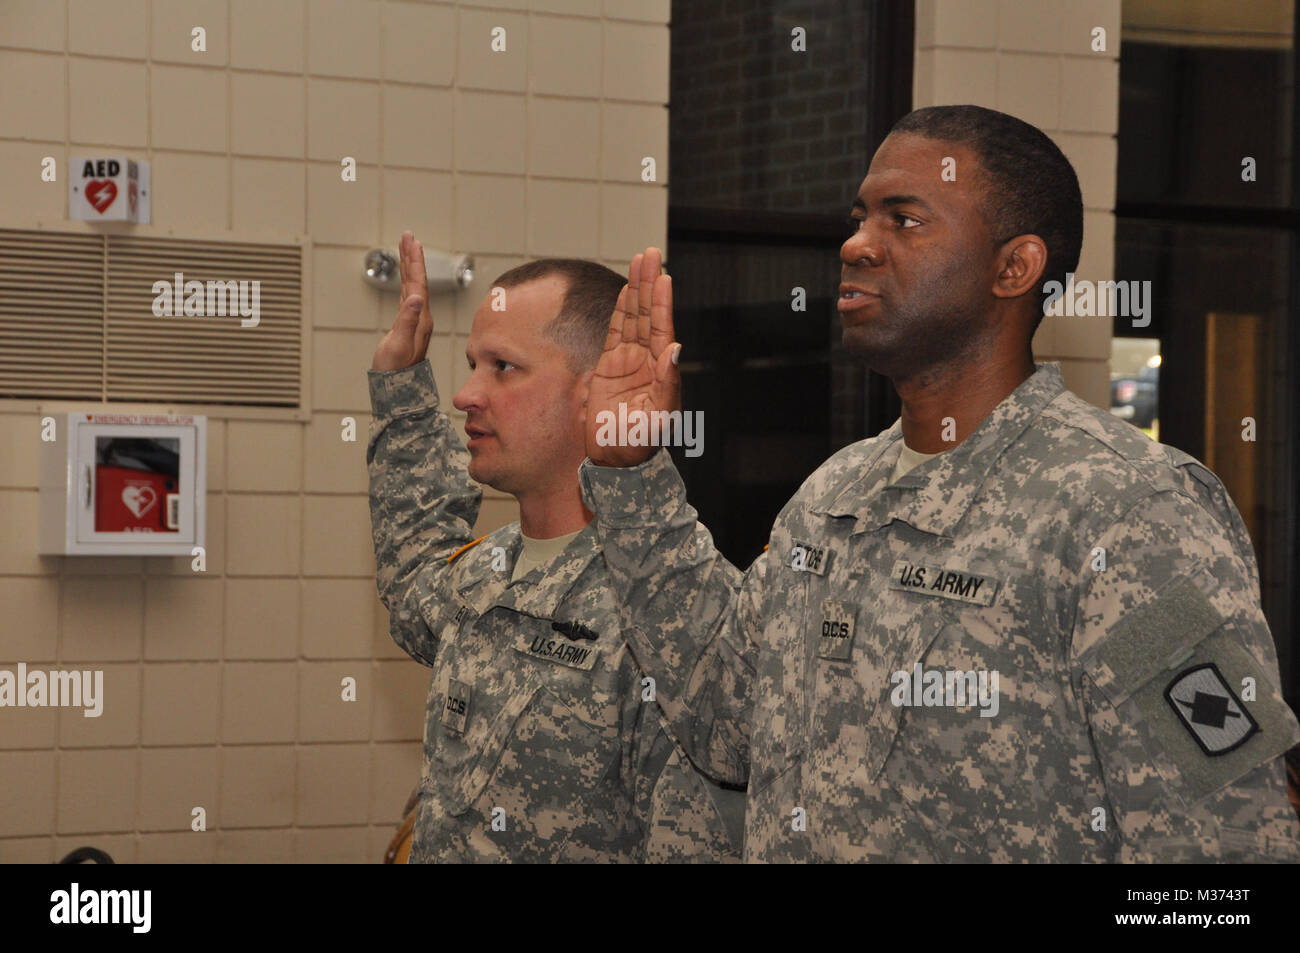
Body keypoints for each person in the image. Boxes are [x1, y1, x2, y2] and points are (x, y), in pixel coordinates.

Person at [578, 105, 1300, 862]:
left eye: (905, 220)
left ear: (1013, 268)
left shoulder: (1126, 511)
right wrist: (631, 477)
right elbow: (722, 723)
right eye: (860, 217)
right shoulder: (833, 498)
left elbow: (1227, 853)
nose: (857, 244)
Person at [368, 231, 744, 862]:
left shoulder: (670, 620)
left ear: (592, 394)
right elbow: (412, 587)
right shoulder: (488, 572)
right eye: (471, 366)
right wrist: (402, 392)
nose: (466, 395)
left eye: (503, 367)